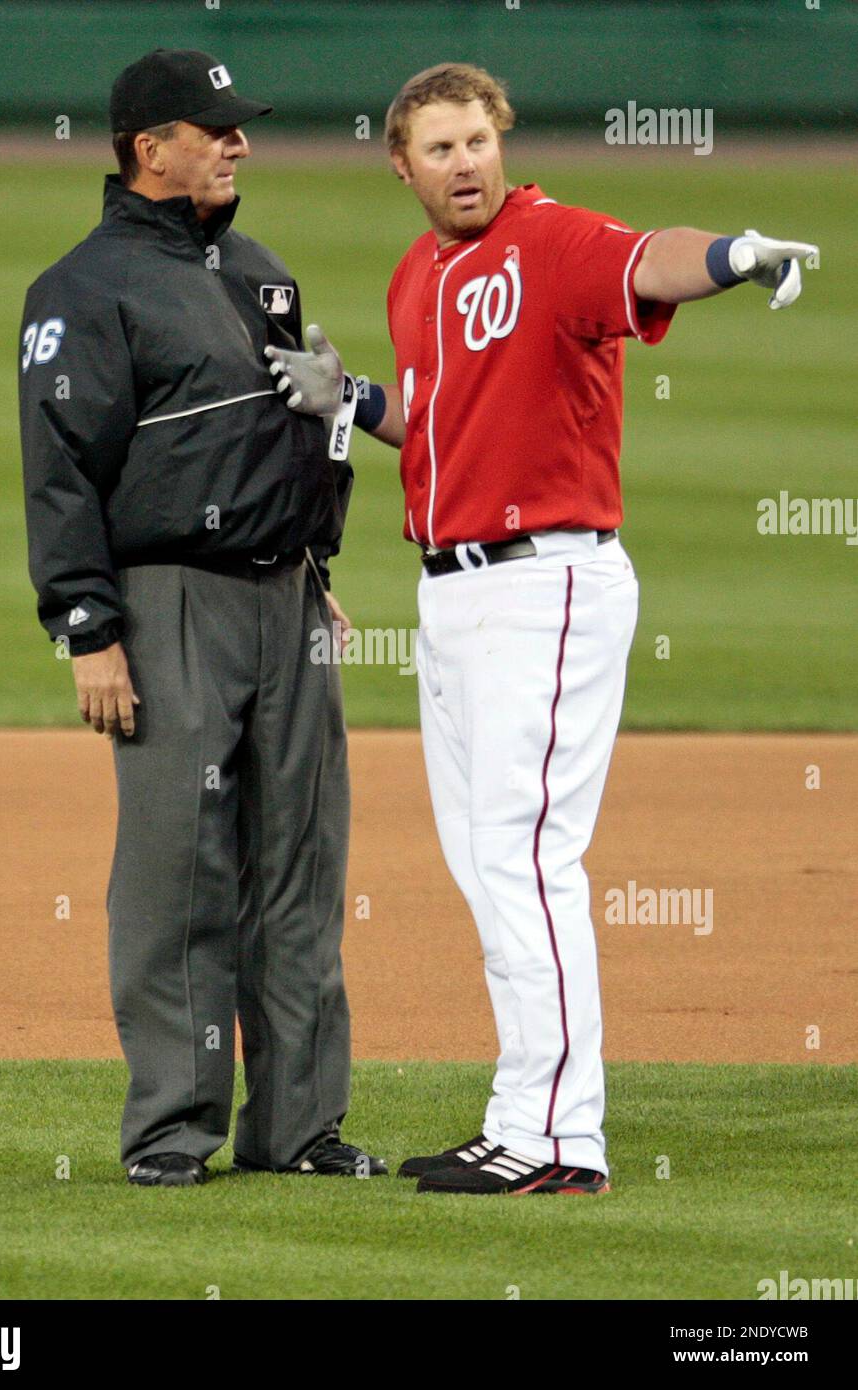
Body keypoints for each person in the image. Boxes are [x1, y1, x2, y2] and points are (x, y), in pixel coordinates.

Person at [262, 62, 817, 1196]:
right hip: (450, 593)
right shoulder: (416, 275)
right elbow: (436, 419)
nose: (463, 164)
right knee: (486, 861)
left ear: (500, 142)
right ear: (400, 163)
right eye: (439, 149)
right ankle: (521, 1113)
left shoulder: (549, 238)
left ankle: (561, 1139)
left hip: (545, 583)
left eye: (477, 142)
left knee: (523, 852)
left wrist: (736, 255)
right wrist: (354, 402)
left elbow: (649, 255)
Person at [19, 48, 385, 1187]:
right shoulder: (83, 289)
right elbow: (62, 468)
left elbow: (295, 426)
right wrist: (87, 628)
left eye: (238, 127)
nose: (236, 142)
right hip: (169, 601)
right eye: (213, 128)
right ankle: (173, 1131)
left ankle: (299, 1127)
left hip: (288, 601)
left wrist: (319, 545)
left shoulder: (256, 270)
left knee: (300, 864)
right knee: (181, 869)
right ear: (149, 149)